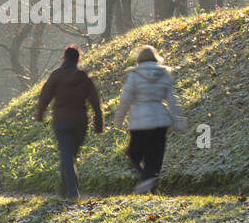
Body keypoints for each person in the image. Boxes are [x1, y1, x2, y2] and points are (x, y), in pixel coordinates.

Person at [112, 45, 186, 194]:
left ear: (139, 59)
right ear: (156, 58)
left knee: (134, 154)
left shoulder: (134, 74)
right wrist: (177, 120)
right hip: (160, 120)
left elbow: (125, 99)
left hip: (139, 121)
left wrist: (118, 120)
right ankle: (151, 184)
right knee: (155, 155)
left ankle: (147, 180)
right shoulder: (164, 73)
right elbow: (172, 99)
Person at [35, 44, 104, 200]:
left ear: (64, 58)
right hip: (80, 122)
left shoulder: (56, 76)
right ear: (78, 59)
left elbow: (45, 96)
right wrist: (99, 122)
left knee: (67, 156)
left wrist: (40, 113)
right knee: (69, 155)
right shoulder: (84, 77)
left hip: (61, 121)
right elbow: (95, 101)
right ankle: (65, 190)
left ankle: (72, 193)